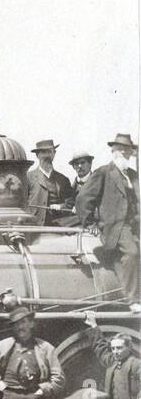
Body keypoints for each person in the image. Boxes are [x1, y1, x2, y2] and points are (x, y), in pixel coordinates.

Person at [76, 132, 140, 310]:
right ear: (115, 151)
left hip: (134, 225)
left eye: (128, 151)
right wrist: (90, 224)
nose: (126, 154)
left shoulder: (132, 175)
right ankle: (133, 299)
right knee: (132, 253)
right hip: (115, 227)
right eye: (122, 150)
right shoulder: (104, 172)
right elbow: (83, 199)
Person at [0, 306, 65, 399]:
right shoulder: (2, 347)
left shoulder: (45, 348)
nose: (20, 327)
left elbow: (59, 379)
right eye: (16, 324)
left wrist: (42, 391)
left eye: (23, 322)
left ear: (31, 324)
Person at [26, 139, 77, 226]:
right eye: (44, 152)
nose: (47, 156)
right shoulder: (28, 177)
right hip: (34, 226)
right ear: (37, 155)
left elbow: (71, 202)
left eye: (50, 152)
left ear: (54, 154)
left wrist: (61, 206)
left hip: (58, 227)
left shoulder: (63, 179)